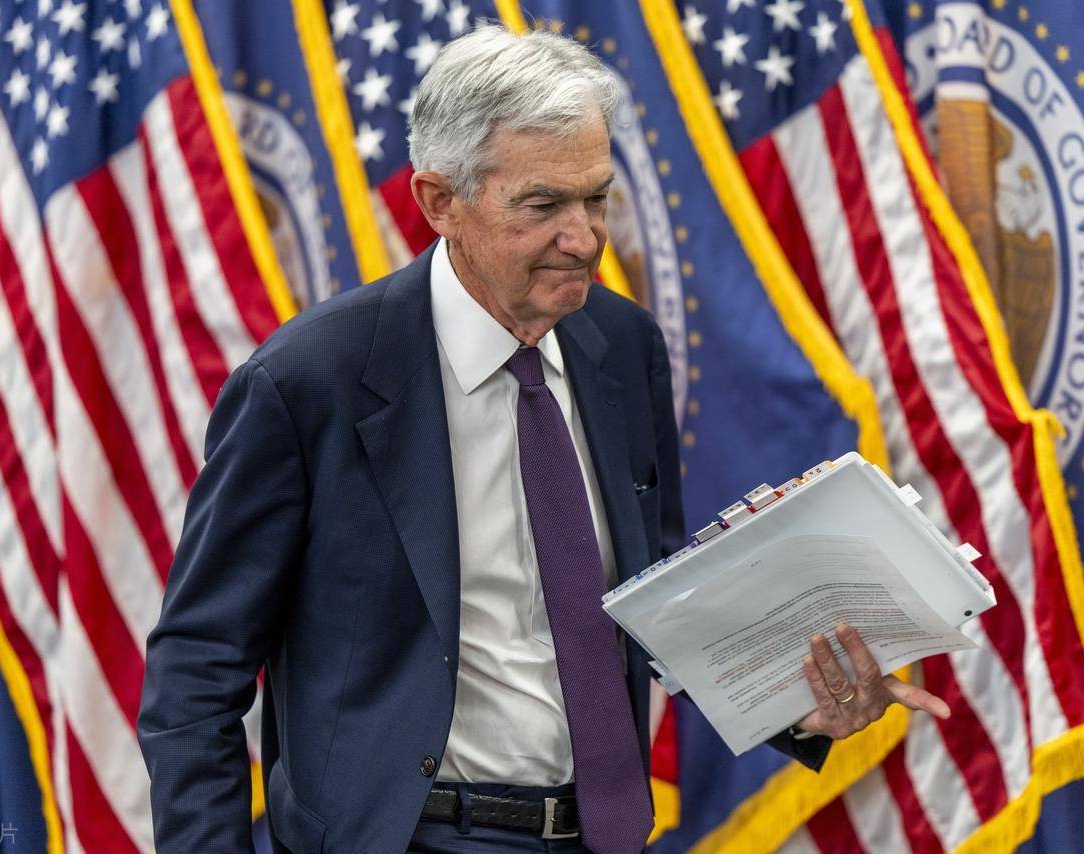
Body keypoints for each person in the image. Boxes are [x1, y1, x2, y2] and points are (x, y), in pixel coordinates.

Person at [137, 25, 950, 854]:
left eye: (596, 198)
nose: (585, 237)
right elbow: (197, 666)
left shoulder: (623, 346)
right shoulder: (307, 382)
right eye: (543, 206)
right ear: (440, 202)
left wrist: (795, 705)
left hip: (599, 835)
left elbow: (659, 600)